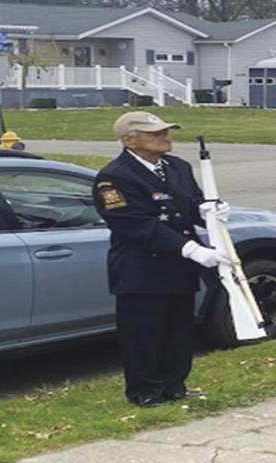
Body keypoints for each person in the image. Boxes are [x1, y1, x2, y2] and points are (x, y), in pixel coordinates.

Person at [94, 111, 226, 408]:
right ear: (130, 140)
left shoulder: (176, 167)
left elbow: (189, 205)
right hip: (142, 268)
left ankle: (174, 384)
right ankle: (145, 391)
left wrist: (209, 211)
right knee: (144, 334)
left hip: (177, 266)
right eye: (155, 134)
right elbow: (135, 224)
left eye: (166, 132)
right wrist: (192, 249)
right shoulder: (114, 177)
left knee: (178, 331)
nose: (165, 138)